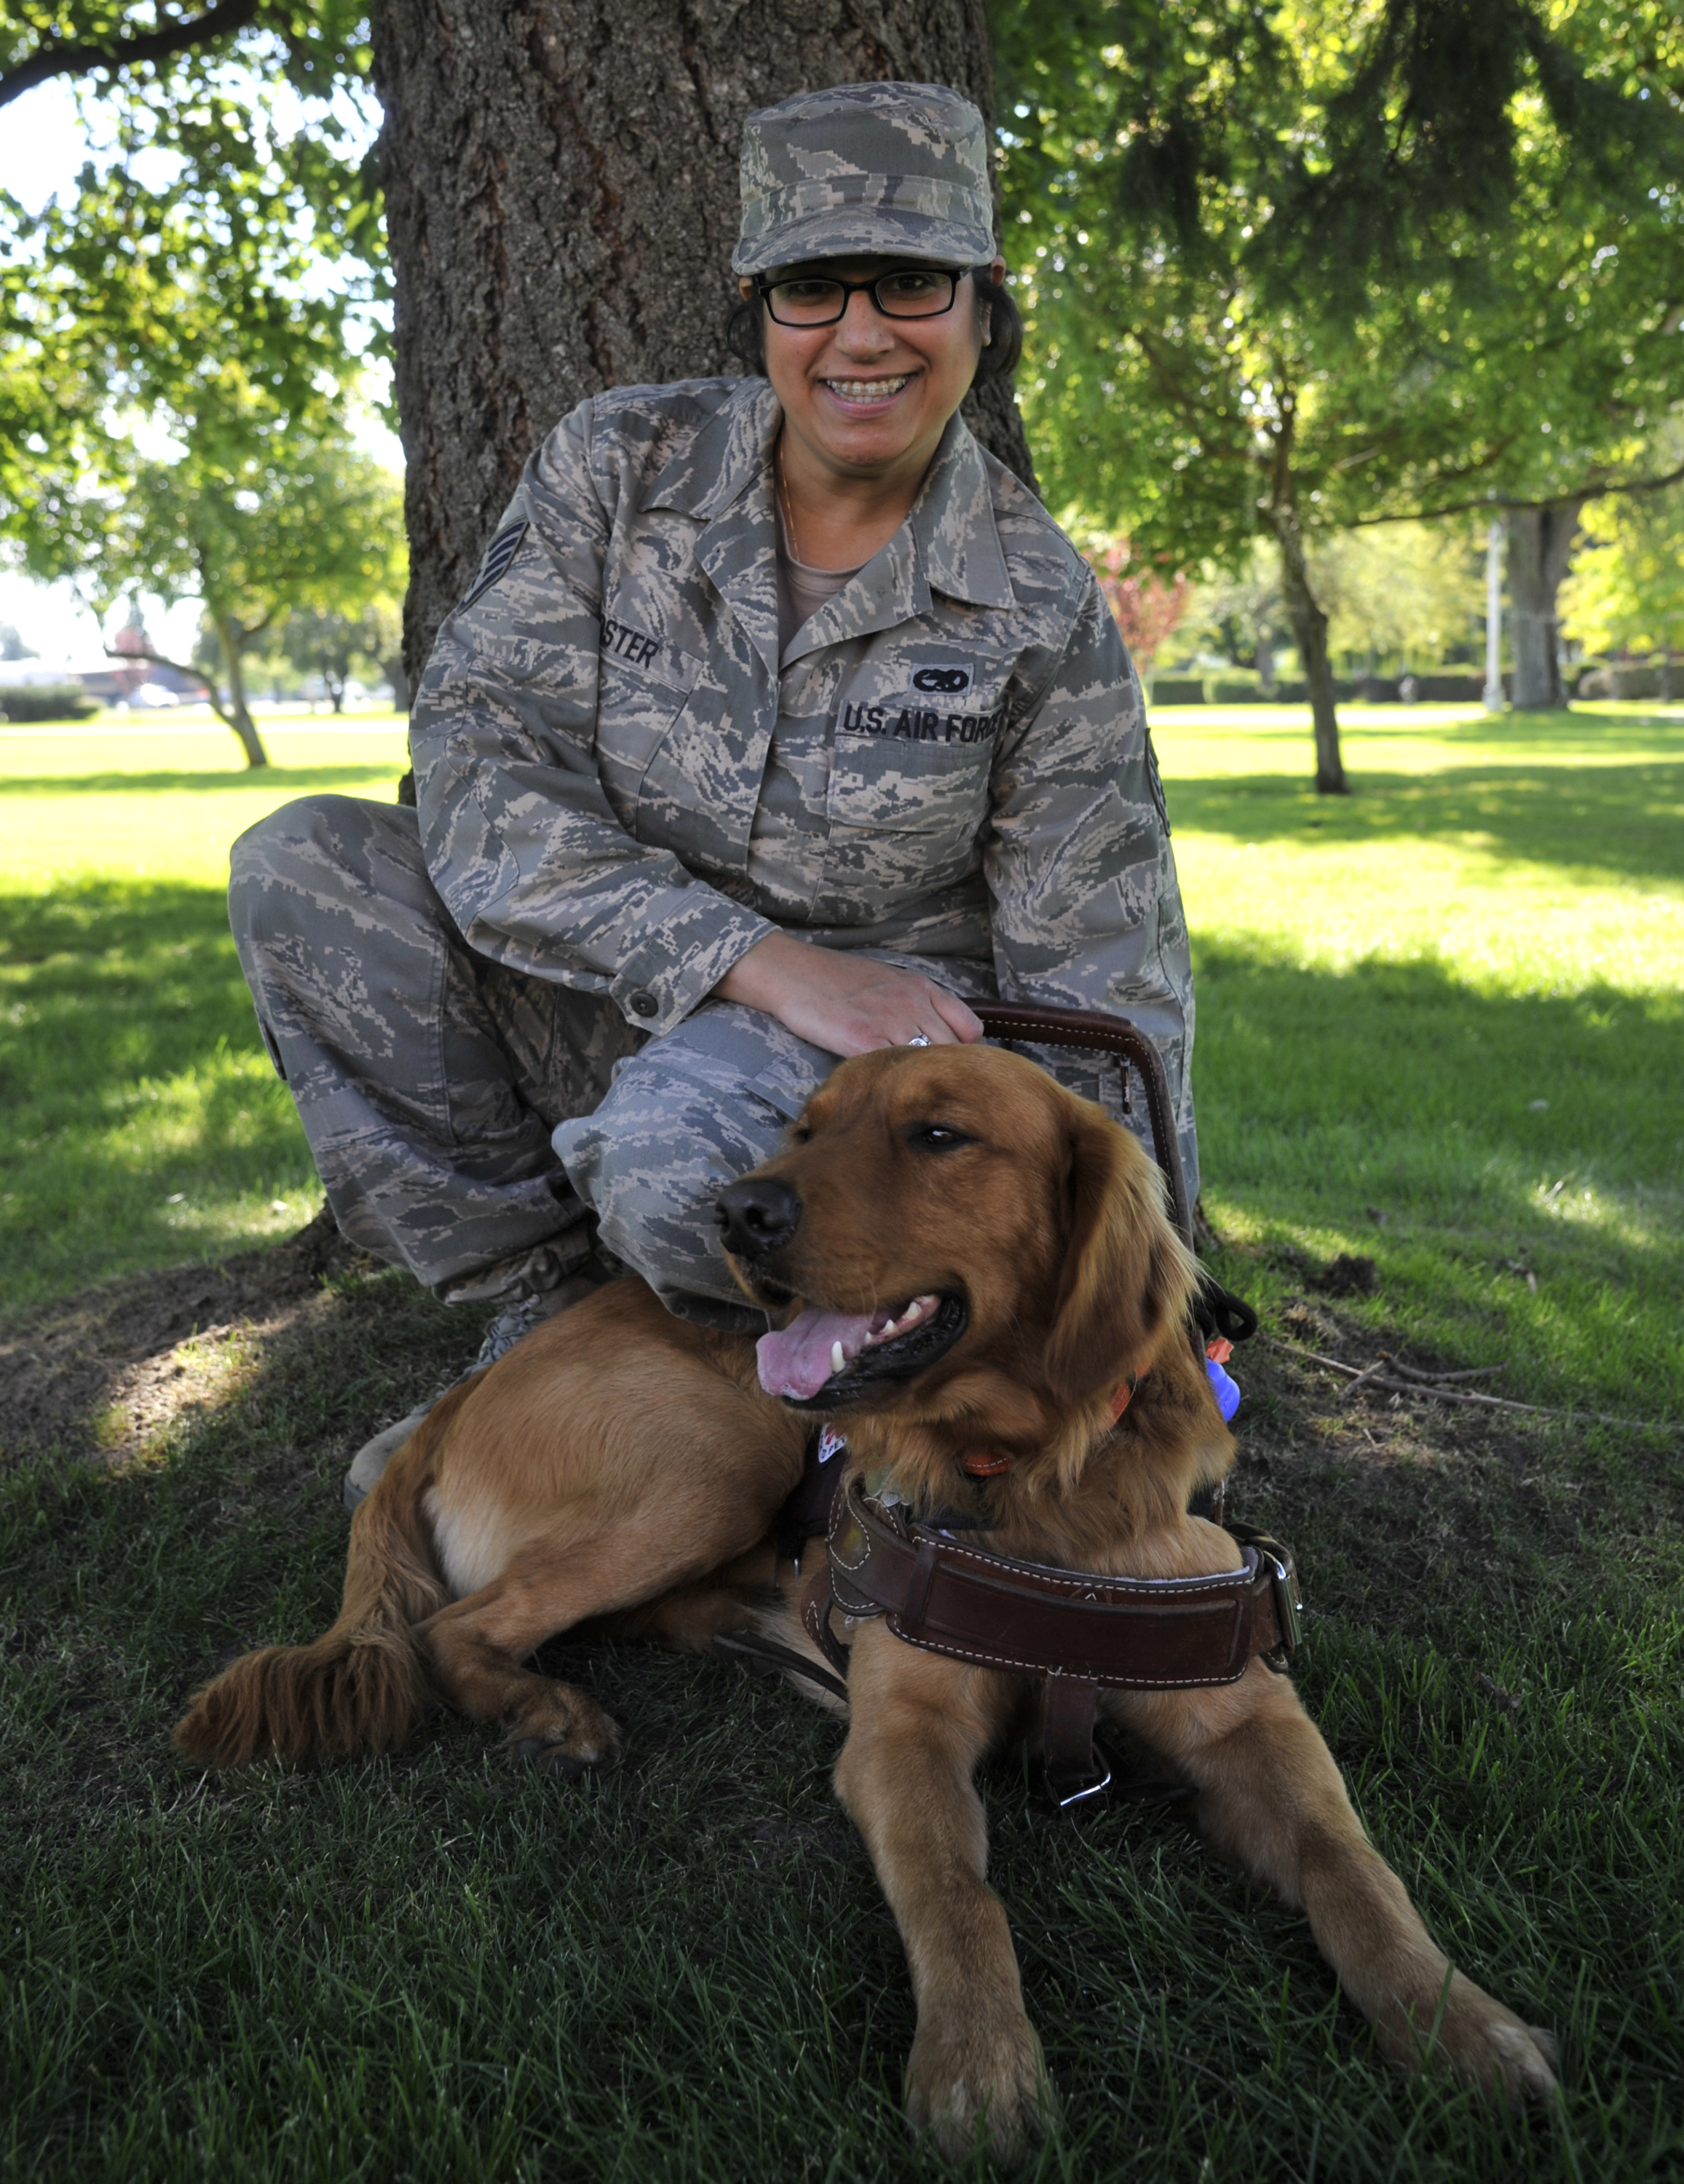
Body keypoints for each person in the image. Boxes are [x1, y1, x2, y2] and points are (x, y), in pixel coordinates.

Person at [227, 81, 1198, 1511]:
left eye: (913, 283)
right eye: (814, 285)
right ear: (761, 307)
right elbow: (480, 770)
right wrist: (759, 962)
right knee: (302, 863)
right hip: (595, 970)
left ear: (983, 309)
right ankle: (543, 1311)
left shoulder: (1033, 596)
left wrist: (1135, 1299)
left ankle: (838, 1393)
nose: (860, 333)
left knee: (683, 1179)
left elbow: (1109, 988)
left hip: (855, 1065)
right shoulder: (616, 470)